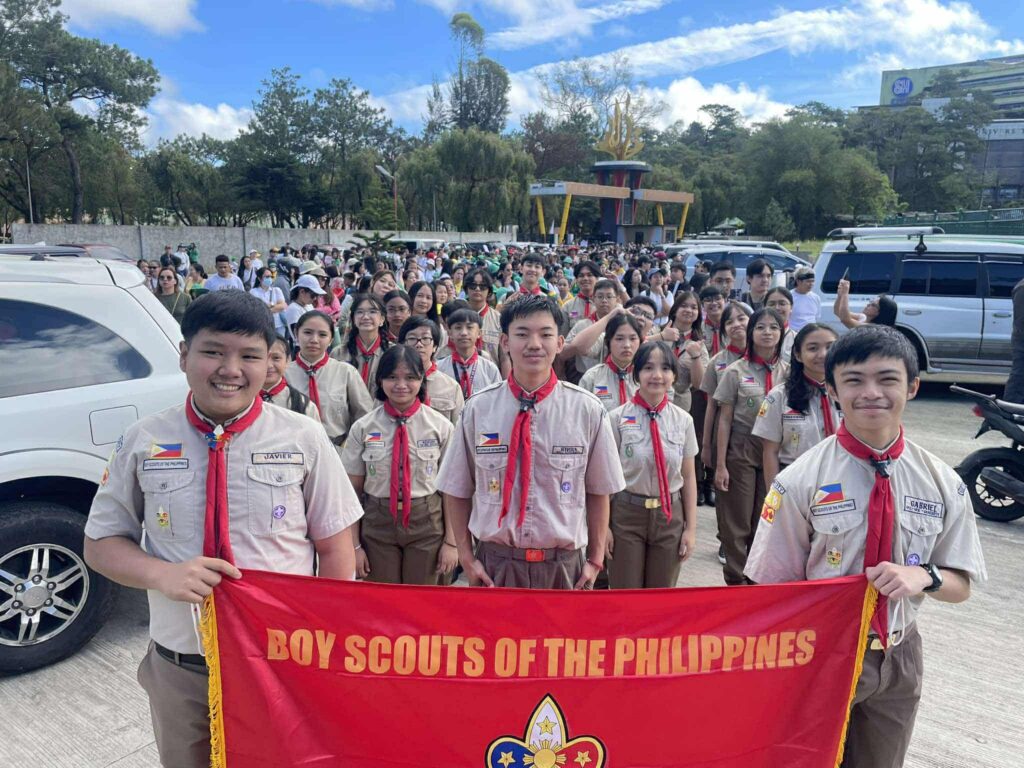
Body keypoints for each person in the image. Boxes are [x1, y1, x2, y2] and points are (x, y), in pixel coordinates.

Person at [83, 291, 361, 768]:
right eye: (213, 351)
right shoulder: (145, 439)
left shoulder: (302, 437)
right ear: (184, 355)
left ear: (270, 361)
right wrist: (161, 575)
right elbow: (100, 544)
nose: (231, 369)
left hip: (278, 662)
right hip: (181, 667)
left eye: (250, 356)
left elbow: (335, 550)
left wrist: (324, 645)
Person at [745, 326, 986, 768]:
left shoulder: (942, 482)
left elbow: (961, 585)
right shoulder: (800, 481)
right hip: (817, 657)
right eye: (854, 380)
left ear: (912, 386)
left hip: (899, 656)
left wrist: (925, 576)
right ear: (833, 389)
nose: (871, 392)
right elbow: (769, 591)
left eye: (887, 379)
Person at [436, 296, 625, 589]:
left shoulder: (586, 410)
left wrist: (595, 559)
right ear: (504, 342)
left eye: (545, 334)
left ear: (560, 343)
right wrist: (466, 556)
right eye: (522, 334)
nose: (534, 344)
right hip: (496, 565)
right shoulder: (478, 409)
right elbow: (457, 488)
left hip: (564, 567)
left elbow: (599, 490)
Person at [343, 345, 456, 585]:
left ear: (422, 380)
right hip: (377, 523)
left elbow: (452, 490)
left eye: (410, 377)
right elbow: (352, 492)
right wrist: (354, 546)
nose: (401, 385)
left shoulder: (440, 426)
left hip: (427, 522)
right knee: (383, 600)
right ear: (380, 379)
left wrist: (452, 542)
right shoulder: (363, 427)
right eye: (392, 377)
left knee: (423, 600)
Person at [607, 341, 699, 588]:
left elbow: (688, 477)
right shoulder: (616, 418)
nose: (657, 375)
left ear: (674, 375)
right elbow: (605, 477)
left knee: (661, 594)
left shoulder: (684, 421)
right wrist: (603, 528)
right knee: (624, 592)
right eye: (648, 367)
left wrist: (691, 529)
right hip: (626, 514)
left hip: (669, 515)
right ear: (636, 374)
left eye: (666, 368)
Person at [713, 307, 788, 585]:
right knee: (737, 521)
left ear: (782, 333)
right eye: (760, 327)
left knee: (765, 516)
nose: (767, 333)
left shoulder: (790, 371)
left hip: (777, 448)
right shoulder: (736, 371)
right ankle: (735, 579)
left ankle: (756, 579)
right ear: (751, 332)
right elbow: (725, 420)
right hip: (742, 445)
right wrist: (720, 464)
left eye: (773, 327)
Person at [753, 323, 840, 487]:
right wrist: (774, 496)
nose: (823, 354)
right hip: (795, 479)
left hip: (839, 477)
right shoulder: (779, 396)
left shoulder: (849, 394)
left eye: (830, 347)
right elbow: (770, 451)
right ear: (798, 355)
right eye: (813, 348)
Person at [699, 301, 751, 554]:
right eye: (729, 322)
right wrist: (706, 446)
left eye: (741, 318)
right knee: (728, 493)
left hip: (763, 439)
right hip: (728, 438)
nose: (736, 325)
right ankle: (727, 542)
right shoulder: (718, 362)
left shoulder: (771, 357)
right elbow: (711, 407)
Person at [285, 311, 373, 453]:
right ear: (296, 333)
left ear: (331, 339)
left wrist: (369, 455)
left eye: (322, 335)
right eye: (307, 332)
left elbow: (367, 418)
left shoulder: (346, 372)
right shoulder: (283, 374)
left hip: (339, 452)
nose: (314, 340)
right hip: (293, 452)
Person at [399, 316, 465, 425]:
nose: (419, 344)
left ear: (435, 346)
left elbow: (459, 428)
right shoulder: (392, 383)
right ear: (403, 344)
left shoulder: (451, 387)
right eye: (412, 339)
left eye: (425, 339)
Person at [578, 314, 643, 412]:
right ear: (608, 342)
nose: (627, 345)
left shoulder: (646, 377)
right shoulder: (592, 377)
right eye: (619, 339)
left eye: (633, 338)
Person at [560, 279, 620, 381]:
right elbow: (562, 353)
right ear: (593, 298)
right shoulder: (582, 325)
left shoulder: (623, 324)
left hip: (616, 377)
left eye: (609, 297)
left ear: (617, 299)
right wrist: (578, 346)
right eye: (600, 297)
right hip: (585, 377)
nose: (604, 300)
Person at [437, 308, 501, 400]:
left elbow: (497, 401)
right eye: (458, 328)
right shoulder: (440, 368)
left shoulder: (490, 369)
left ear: (479, 333)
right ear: (450, 334)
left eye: (469, 327)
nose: (464, 333)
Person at [332, 294, 388, 392]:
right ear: (353, 319)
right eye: (360, 312)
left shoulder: (391, 353)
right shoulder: (338, 353)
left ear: (382, 319)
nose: (366, 317)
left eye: (372, 312)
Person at [260, 336, 320, 421]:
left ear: (288, 360)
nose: (269, 365)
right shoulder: (240, 400)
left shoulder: (303, 405)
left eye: (276, 358)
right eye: (261, 358)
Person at [463, 267, 505, 373]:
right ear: (466, 289)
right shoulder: (455, 316)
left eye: (482, 286)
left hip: (490, 379)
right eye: (473, 285)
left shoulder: (499, 320)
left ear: (489, 291)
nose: (477, 289)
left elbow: (504, 359)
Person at [834, 278, 898, 328]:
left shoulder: (874, 328)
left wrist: (845, 293)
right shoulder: (863, 317)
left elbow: (845, 319)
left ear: (880, 312)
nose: (868, 305)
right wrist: (840, 295)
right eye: (870, 302)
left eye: (873, 305)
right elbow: (838, 311)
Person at [282, 274, 324, 349]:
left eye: (317, 295)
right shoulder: (293, 309)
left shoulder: (309, 306)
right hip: (301, 348)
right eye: (313, 295)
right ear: (302, 292)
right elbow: (297, 334)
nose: (315, 298)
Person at [250, 267, 288, 338]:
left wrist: (268, 306)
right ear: (259, 278)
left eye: (271, 276)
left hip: (278, 325)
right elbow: (256, 310)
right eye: (267, 277)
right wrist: (274, 307)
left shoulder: (277, 290)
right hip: (262, 326)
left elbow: (283, 306)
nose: (269, 278)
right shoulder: (253, 292)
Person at [764, 286, 796, 363]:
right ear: (764, 307)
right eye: (771, 304)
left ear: (791, 307)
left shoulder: (798, 339)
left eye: (782, 303)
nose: (777, 308)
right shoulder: (755, 337)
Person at [1005, 277, 1024, 403]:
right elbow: (1022, 322)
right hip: (1022, 347)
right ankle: (1008, 416)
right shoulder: (1022, 288)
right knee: (1019, 380)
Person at [790, 266, 821, 332]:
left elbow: (817, 318)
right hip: (794, 334)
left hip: (811, 333)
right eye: (808, 281)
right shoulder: (789, 296)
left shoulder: (816, 298)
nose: (811, 284)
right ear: (798, 281)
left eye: (813, 281)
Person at [699, 286, 726, 355]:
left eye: (718, 299)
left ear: (725, 300)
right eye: (708, 300)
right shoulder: (698, 329)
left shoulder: (732, 327)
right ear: (702, 304)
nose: (714, 303)